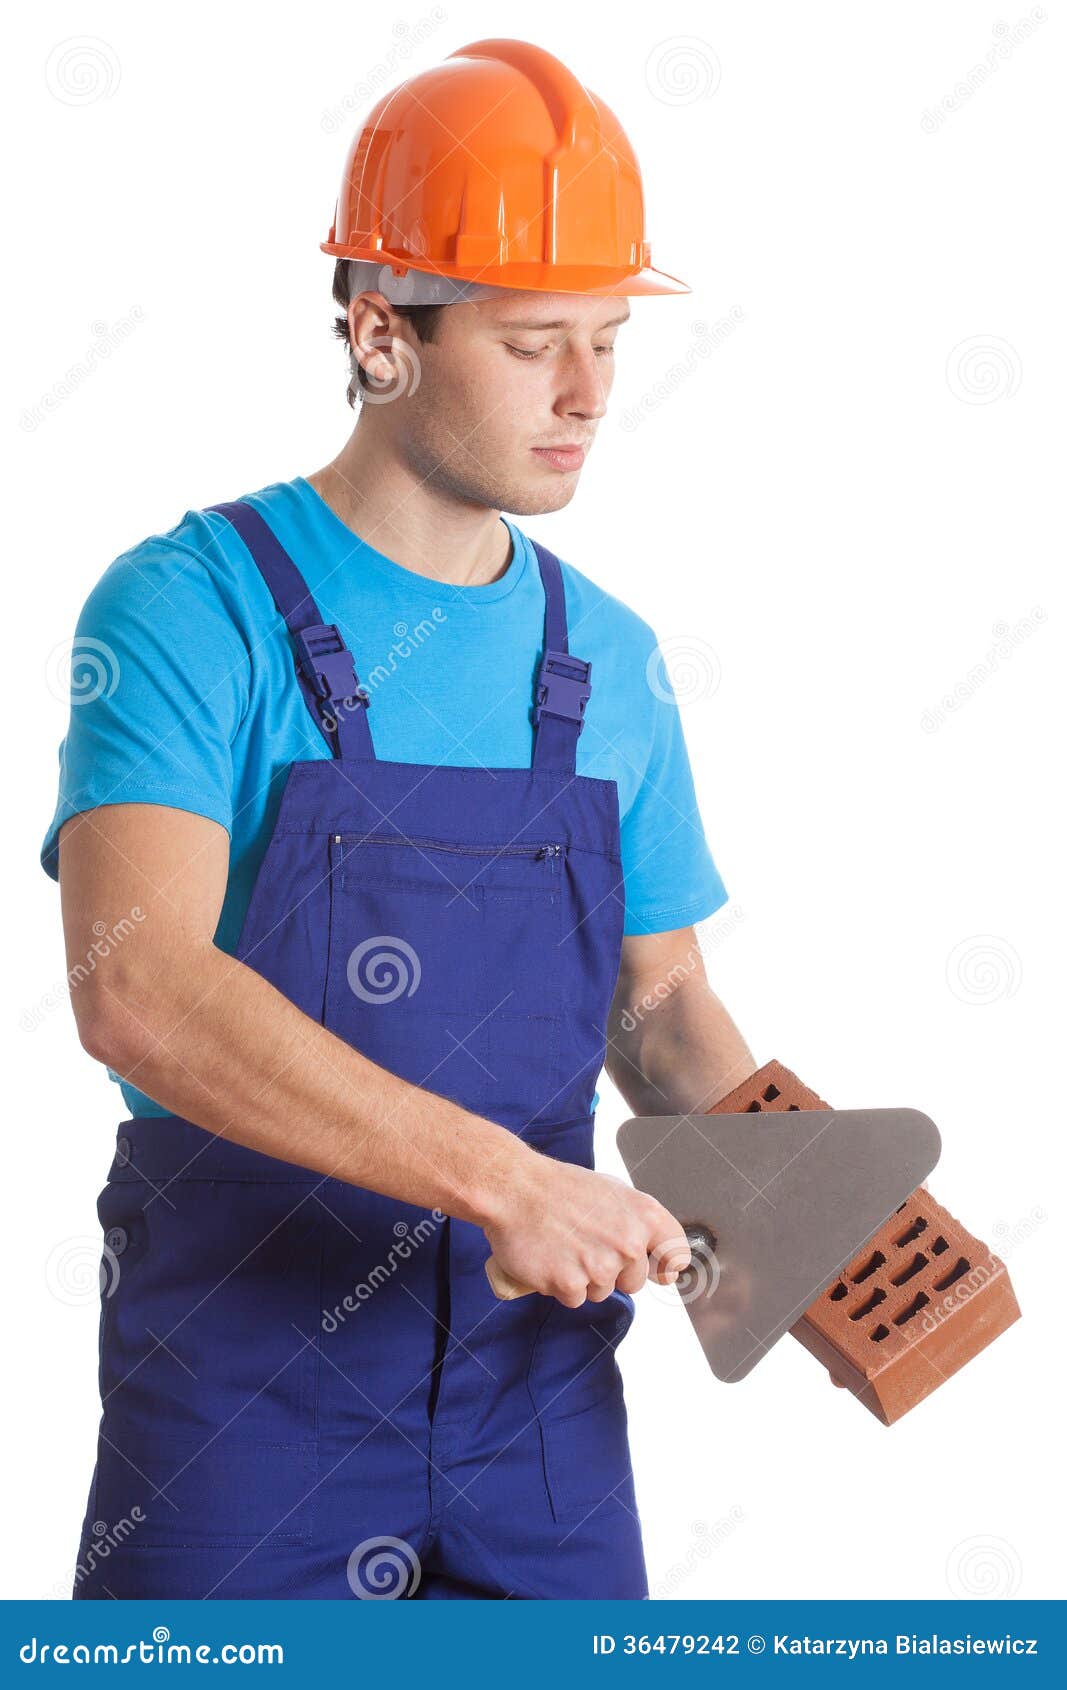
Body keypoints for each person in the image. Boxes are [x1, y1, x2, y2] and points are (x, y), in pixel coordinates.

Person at [42, 38, 754, 1600]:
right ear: (380, 334)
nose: (587, 398)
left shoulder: (608, 658)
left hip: (540, 1407)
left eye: (609, 344)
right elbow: (138, 987)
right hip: (245, 1394)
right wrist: (505, 1182)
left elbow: (665, 1005)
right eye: (531, 343)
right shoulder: (190, 608)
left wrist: (823, 1201)